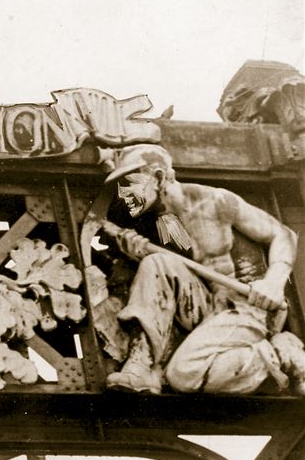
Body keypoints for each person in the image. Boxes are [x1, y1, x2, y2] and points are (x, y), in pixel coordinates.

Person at [101, 143, 304, 394]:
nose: (124, 195)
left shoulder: (216, 201)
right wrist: (138, 254)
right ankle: (142, 366)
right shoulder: (164, 222)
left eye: (131, 184)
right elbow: (175, 271)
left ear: (159, 177)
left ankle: (281, 353)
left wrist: (274, 281)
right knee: (156, 261)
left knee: (182, 375)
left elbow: (282, 234)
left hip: (251, 307)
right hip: (209, 308)